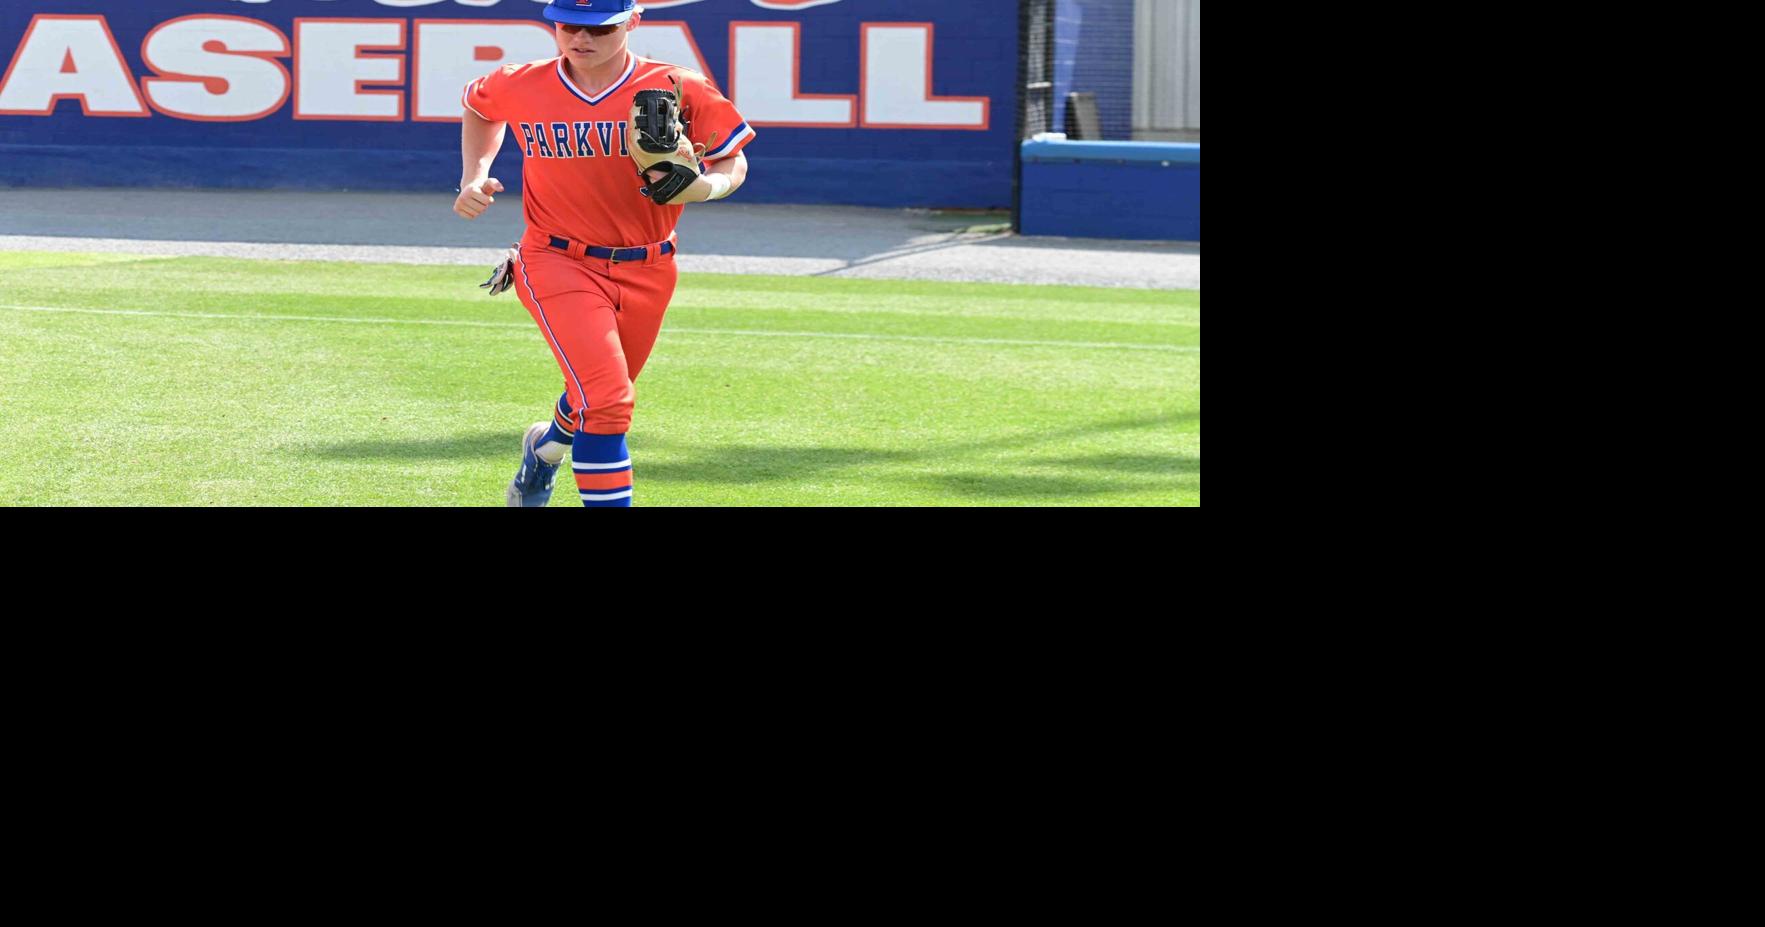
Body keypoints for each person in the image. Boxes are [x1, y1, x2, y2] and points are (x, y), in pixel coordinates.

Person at [453, 0, 754, 507]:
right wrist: (474, 175)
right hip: (555, 259)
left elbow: (732, 158)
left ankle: (544, 451)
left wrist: (707, 187)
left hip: (651, 265)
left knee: (595, 396)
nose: (581, 38)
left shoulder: (676, 85)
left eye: (600, 28)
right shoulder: (521, 82)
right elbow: (480, 107)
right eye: (569, 25)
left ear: (633, 21)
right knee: (609, 404)